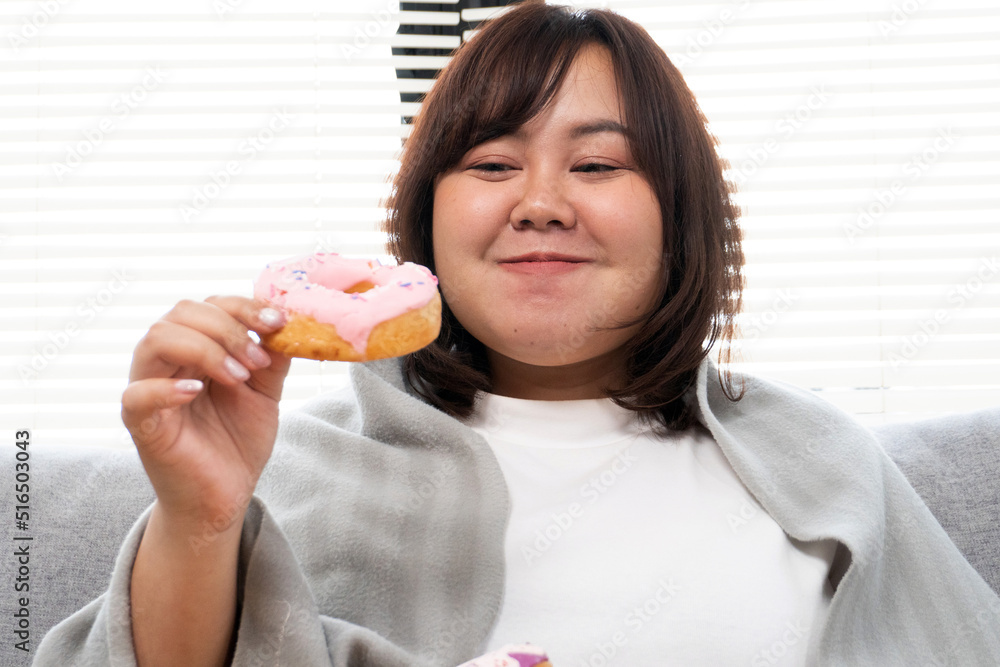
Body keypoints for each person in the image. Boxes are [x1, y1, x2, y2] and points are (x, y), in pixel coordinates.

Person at [35, 3, 1000, 666]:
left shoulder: (822, 460)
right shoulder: (289, 464)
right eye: (492, 163)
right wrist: (200, 522)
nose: (539, 203)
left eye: (597, 162)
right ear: (425, 227)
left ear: (681, 218)